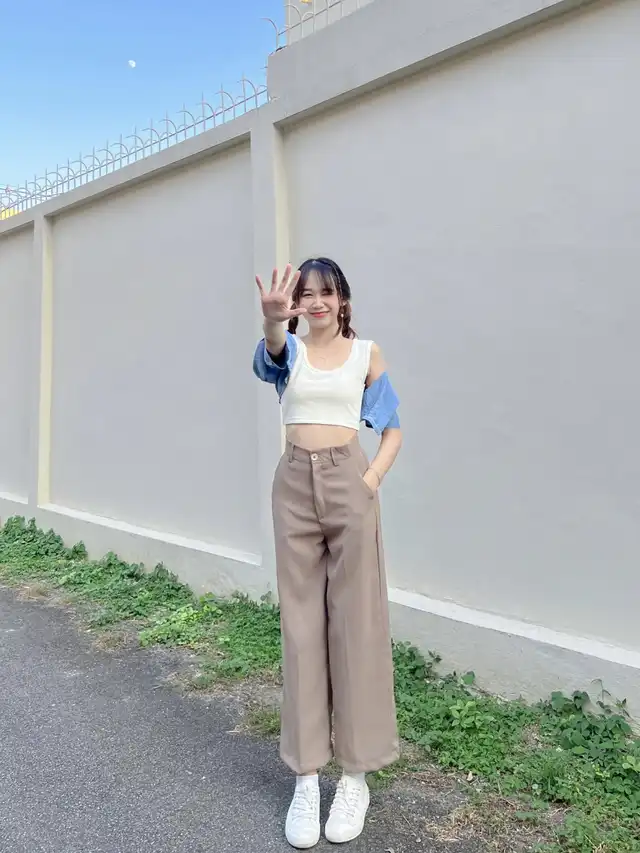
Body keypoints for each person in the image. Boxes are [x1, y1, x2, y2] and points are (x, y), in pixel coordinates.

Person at [253, 258, 402, 849]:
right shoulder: (288, 349)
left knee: (356, 626)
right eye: (306, 294)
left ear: (343, 300)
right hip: (293, 485)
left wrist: (369, 482)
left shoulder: (366, 353)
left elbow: (392, 429)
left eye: (327, 292)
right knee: (301, 629)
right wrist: (272, 321)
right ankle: (307, 778)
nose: (316, 302)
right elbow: (270, 355)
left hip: (348, 482)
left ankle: (356, 777)